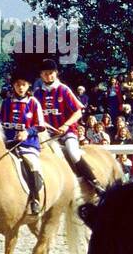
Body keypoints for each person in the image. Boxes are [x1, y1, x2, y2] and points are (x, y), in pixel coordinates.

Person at [34, 58, 105, 195]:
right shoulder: (37, 93)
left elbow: (78, 112)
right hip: (47, 134)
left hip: (67, 131)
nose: (48, 76)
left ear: (56, 73)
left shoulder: (64, 90)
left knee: (72, 152)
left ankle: (94, 182)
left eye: (51, 73)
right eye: (45, 73)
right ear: (41, 75)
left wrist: (66, 125)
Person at [0, 58, 49, 216]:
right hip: (8, 144)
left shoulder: (33, 103)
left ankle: (35, 199)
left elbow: (40, 125)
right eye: (17, 84)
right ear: (13, 85)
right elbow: (0, 124)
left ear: (28, 86)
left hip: (28, 145)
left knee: (32, 165)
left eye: (23, 84)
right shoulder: (6, 103)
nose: (20, 87)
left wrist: (27, 132)